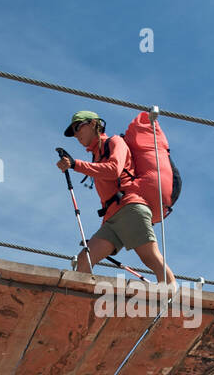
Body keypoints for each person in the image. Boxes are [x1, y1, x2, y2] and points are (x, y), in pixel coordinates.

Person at [56, 110, 175, 286]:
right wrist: (99, 236)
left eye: (77, 127)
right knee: (84, 259)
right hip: (113, 218)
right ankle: (82, 301)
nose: (76, 134)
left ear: (94, 124)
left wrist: (75, 165)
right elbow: (109, 198)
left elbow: (114, 170)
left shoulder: (114, 142)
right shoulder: (96, 156)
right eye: (73, 131)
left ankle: (171, 290)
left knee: (150, 257)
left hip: (131, 208)